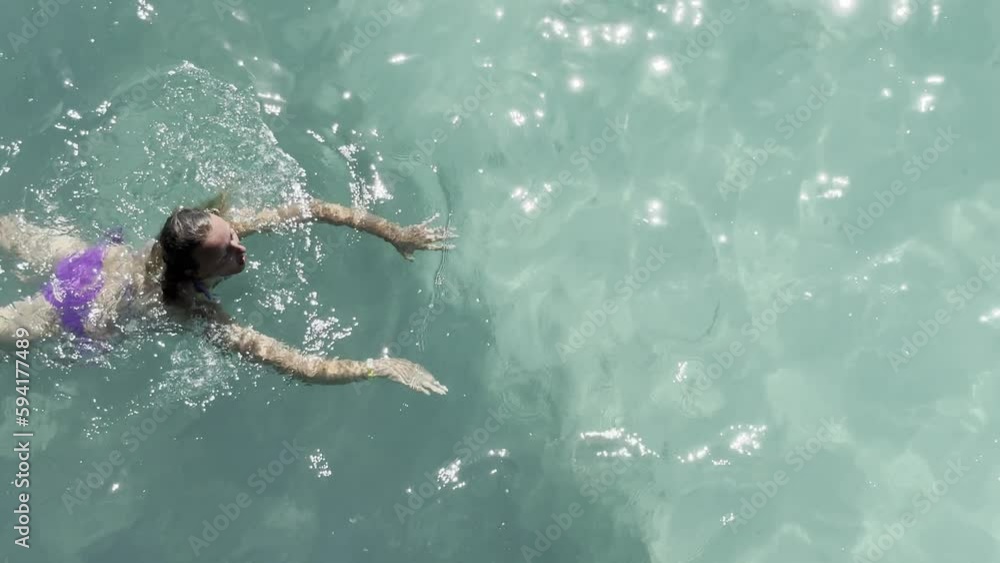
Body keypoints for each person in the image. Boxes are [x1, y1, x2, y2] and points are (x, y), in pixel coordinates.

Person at [0, 194, 455, 395]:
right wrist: (380, 368)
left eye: (233, 236)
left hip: (93, 258)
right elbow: (298, 366)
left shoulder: (208, 236)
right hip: (81, 306)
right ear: (191, 273)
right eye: (225, 256)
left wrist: (394, 233)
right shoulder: (193, 307)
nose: (240, 249)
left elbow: (313, 209)